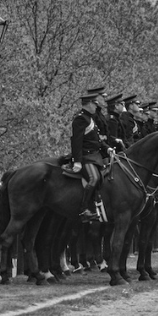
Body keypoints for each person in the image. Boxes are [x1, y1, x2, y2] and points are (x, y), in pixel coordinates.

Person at [69, 89, 106, 223]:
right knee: (93, 178)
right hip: (86, 157)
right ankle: (84, 210)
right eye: (94, 104)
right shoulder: (80, 118)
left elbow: (97, 140)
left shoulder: (90, 118)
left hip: (95, 157)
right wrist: (77, 161)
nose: (96, 106)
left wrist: (108, 149)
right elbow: (76, 141)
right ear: (88, 104)